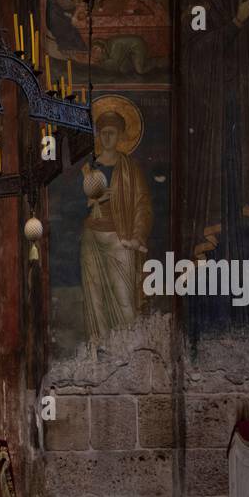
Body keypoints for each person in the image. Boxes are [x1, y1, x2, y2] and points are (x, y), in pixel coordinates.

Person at [79, 109, 152, 343]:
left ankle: (130, 351)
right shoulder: (89, 168)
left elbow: (142, 205)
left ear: (121, 135)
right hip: (92, 238)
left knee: (124, 298)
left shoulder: (130, 168)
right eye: (103, 133)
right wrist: (94, 200)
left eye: (112, 133)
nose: (107, 138)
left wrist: (137, 236)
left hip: (119, 239)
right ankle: (100, 350)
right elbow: (73, 206)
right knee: (94, 298)